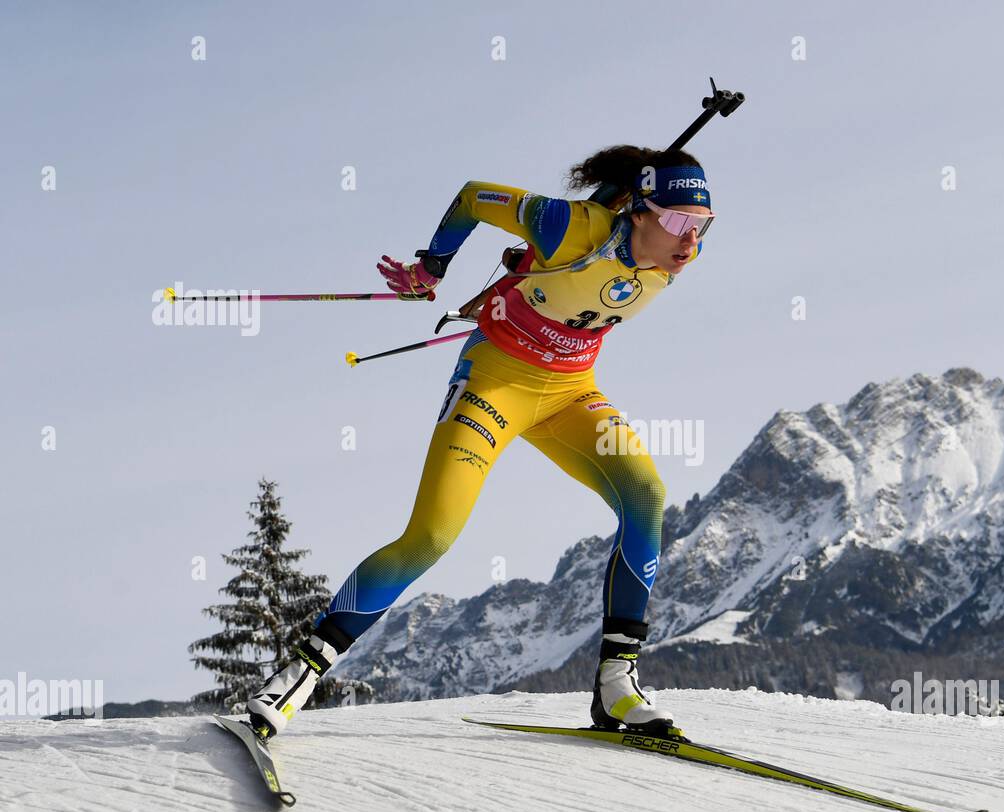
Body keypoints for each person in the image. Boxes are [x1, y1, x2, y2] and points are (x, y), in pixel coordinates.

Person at [245, 145, 715, 740]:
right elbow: (473, 196)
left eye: (702, 228)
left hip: (570, 393)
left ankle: (617, 685)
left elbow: (587, 274)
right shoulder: (570, 226)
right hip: (495, 385)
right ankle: (300, 672)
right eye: (676, 222)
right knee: (431, 537)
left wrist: (525, 275)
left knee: (646, 494)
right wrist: (431, 270)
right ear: (639, 212)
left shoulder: (671, 248)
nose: (689, 244)